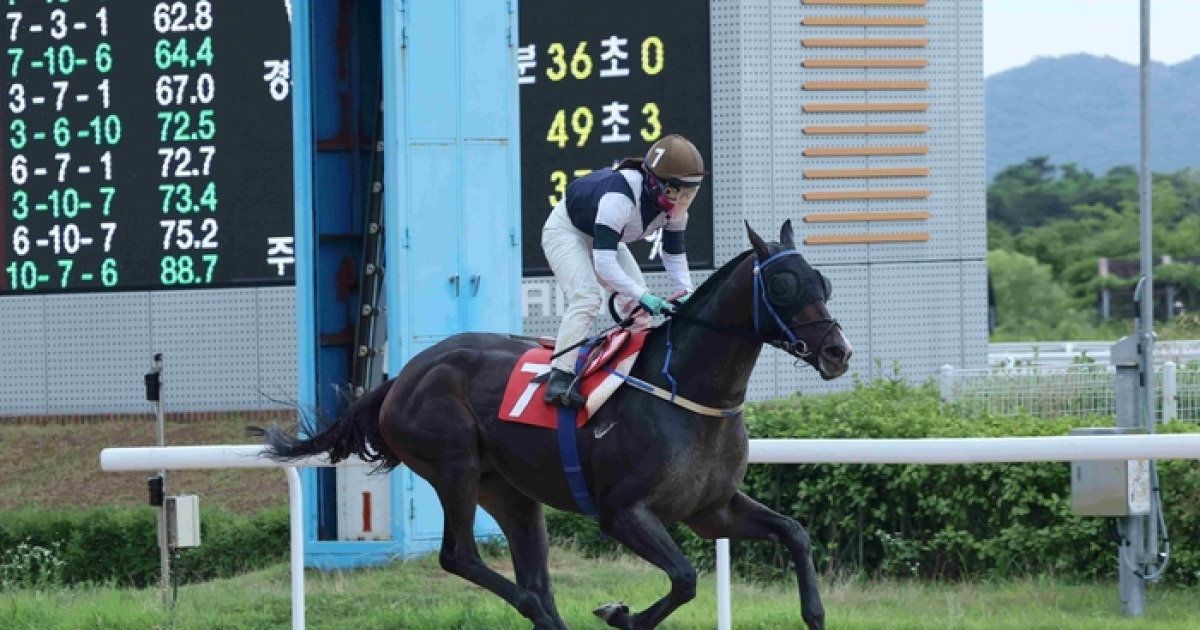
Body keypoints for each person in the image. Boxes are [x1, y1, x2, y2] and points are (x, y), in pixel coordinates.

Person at [540, 134, 707, 407]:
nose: (683, 200)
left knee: (639, 312)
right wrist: (643, 295)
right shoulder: (620, 198)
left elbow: (673, 254)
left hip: (604, 238)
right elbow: (604, 264)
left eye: (690, 192)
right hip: (567, 231)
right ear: (653, 183)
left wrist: (686, 291)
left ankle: (638, 372)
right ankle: (560, 375)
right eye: (675, 191)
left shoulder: (677, 210)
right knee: (587, 297)